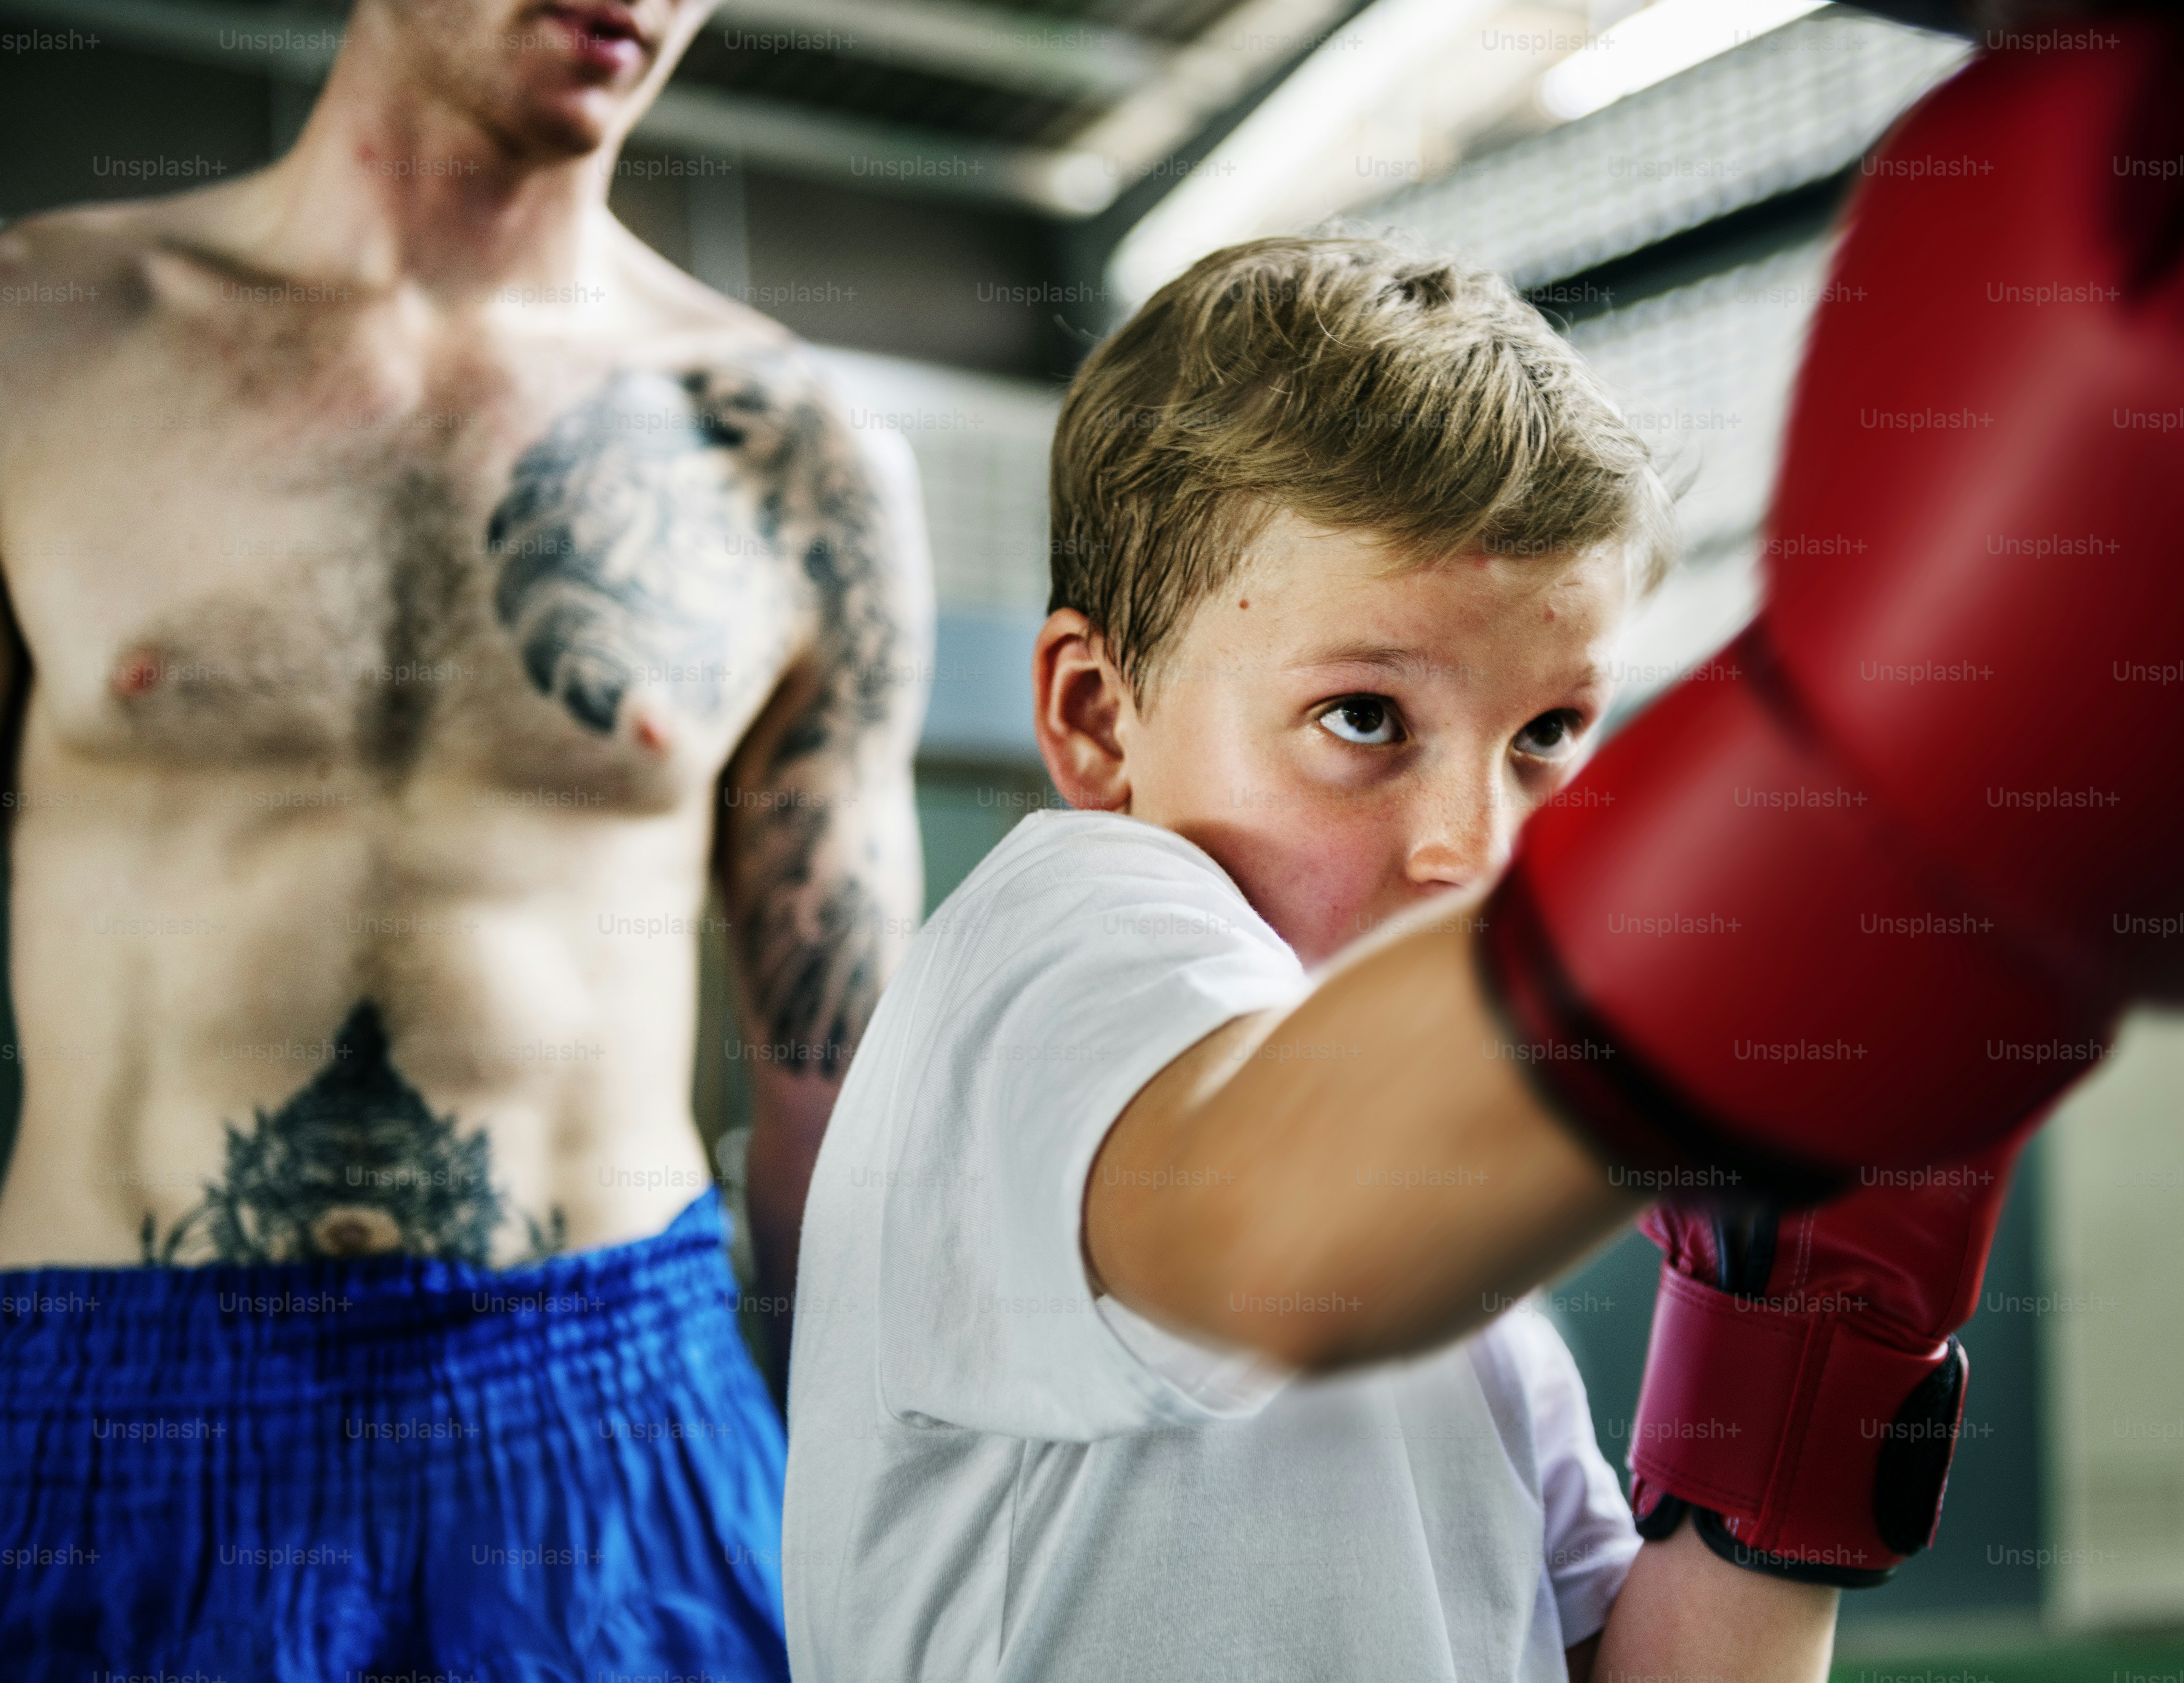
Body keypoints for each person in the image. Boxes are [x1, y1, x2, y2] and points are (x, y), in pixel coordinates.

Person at [0, 0, 927, 1669]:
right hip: (113, 1426)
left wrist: (900, 1546)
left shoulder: (794, 457)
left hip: (620, 1421)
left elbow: (854, 1121)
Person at [785, 234, 1844, 1683]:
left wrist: (1803, 1373)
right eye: (1363, 718)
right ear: (1097, 717)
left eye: (1547, 735)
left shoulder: (1460, 1293)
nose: (1477, 849)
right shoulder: (1061, 941)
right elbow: (1268, 1236)